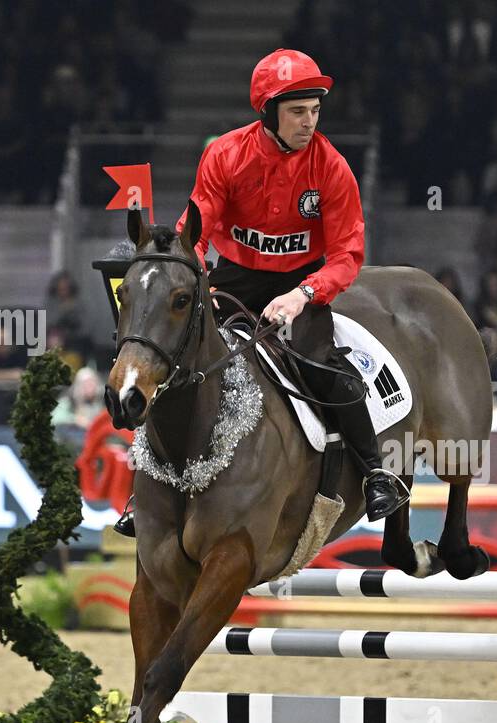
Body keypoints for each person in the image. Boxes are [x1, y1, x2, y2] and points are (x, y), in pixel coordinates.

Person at [114, 49, 405, 538]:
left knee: (327, 370)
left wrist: (303, 294)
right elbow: (196, 232)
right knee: (178, 363)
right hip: (235, 278)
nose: (309, 122)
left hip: (300, 283)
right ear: (268, 112)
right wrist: (192, 274)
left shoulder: (332, 168)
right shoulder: (226, 154)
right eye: (297, 112)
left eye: (314, 110)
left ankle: (376, 474)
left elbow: (346, 255)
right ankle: (143, 489)